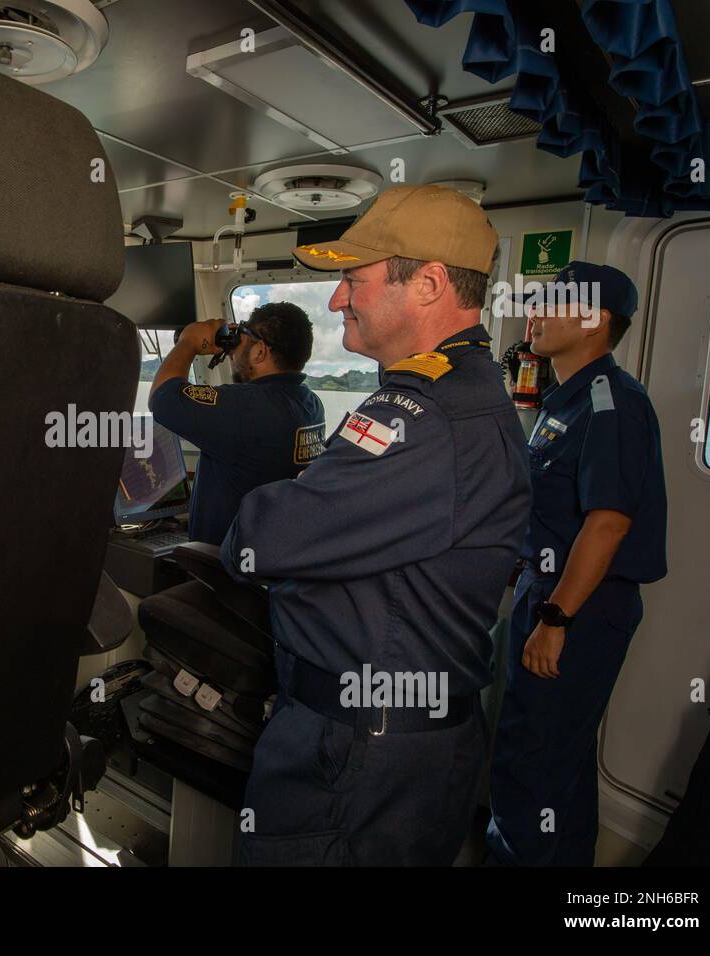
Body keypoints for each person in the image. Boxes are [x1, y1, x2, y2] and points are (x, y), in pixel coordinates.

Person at [222, 184, 531, 865]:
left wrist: (292, 498)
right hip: (394, 743)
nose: (337, 299)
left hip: (357, 759)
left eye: (351, 279)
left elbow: (256, 541)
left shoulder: (421, 418)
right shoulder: (458, 393)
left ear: (427, 284)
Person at [486, 261, 667, 866]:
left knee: (530, 758)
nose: (532, 312)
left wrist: (556, 619)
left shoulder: (611, 403)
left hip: (580, 609)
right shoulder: (566, 400)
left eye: (551, 302)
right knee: (556, 756)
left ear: (594, 320)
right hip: (554, 592)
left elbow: (608, 522)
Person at [148, 301, 325, 545]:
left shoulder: (245, 407)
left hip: (226, 567)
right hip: (270, 554)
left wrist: (188, 342)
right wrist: (242, 350)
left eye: (244, 337)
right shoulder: (309, 404)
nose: (234, 347)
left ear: (260, 351)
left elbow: (162, 399)